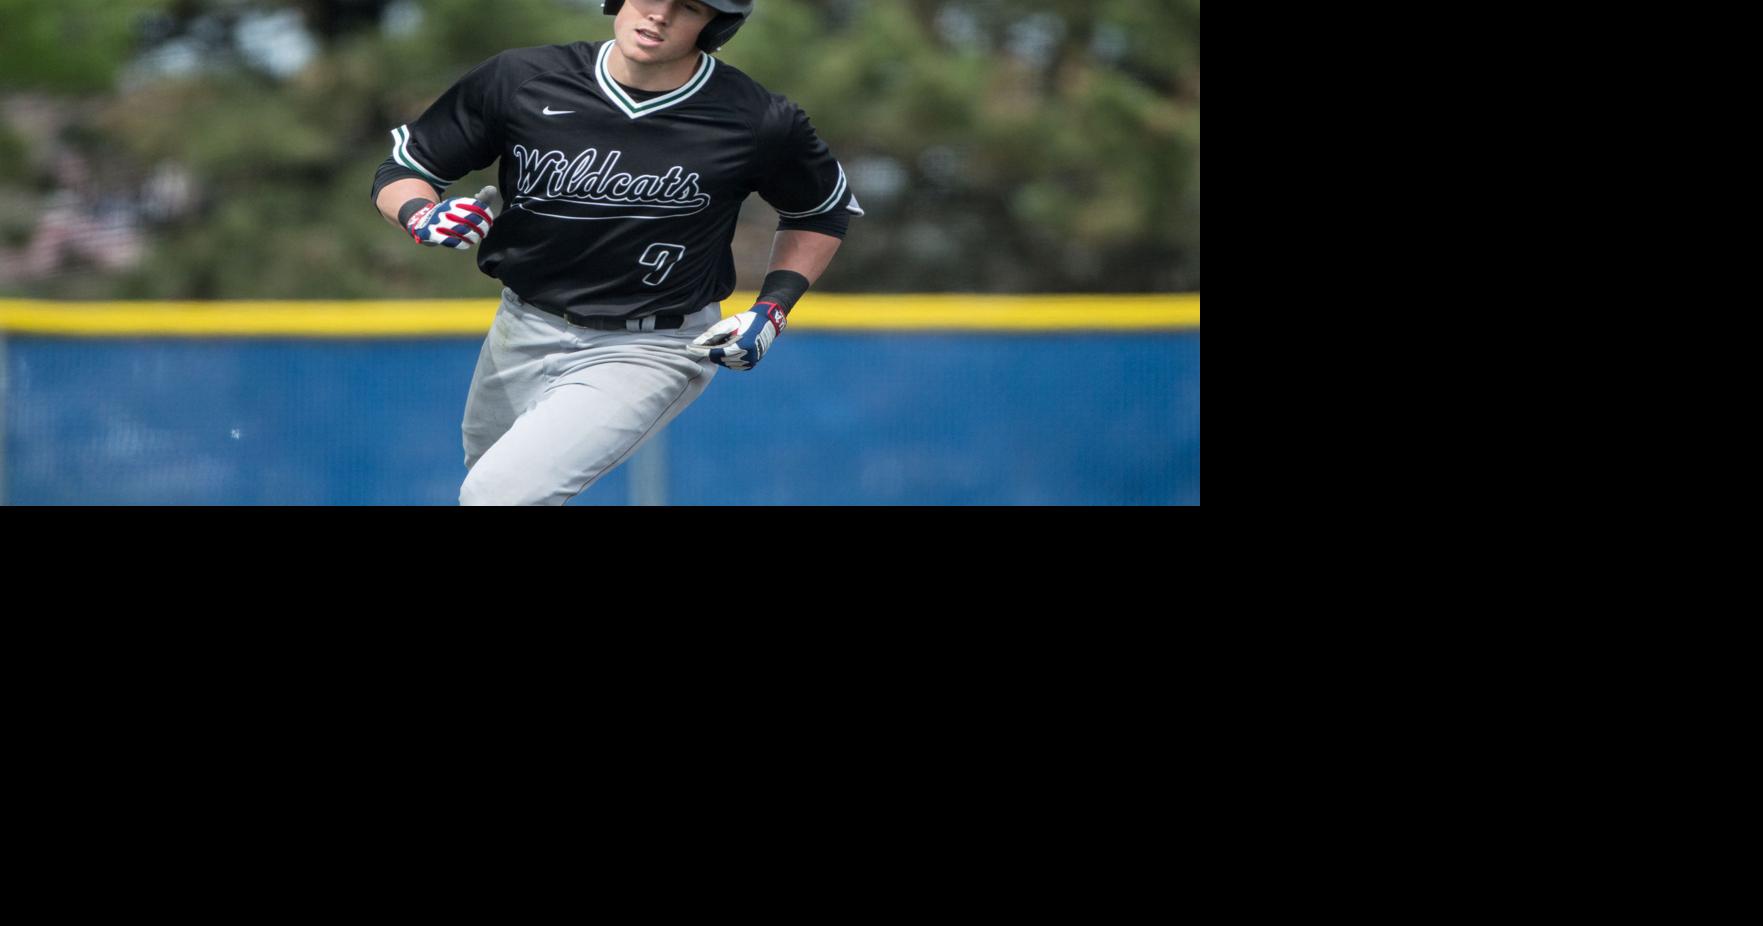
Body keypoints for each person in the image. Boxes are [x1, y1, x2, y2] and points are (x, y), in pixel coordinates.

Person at [369, 0, 860, 505]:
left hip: (650, 346)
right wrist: (419, 214)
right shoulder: (522, 78)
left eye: (687, 6)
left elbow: (819, 212)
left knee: (498, 495)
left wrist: (772, 309)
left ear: (716, 23)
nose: (659, 15)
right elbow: (406, 170)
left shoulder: (756, 118)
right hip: (521, 325)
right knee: (490, 481)